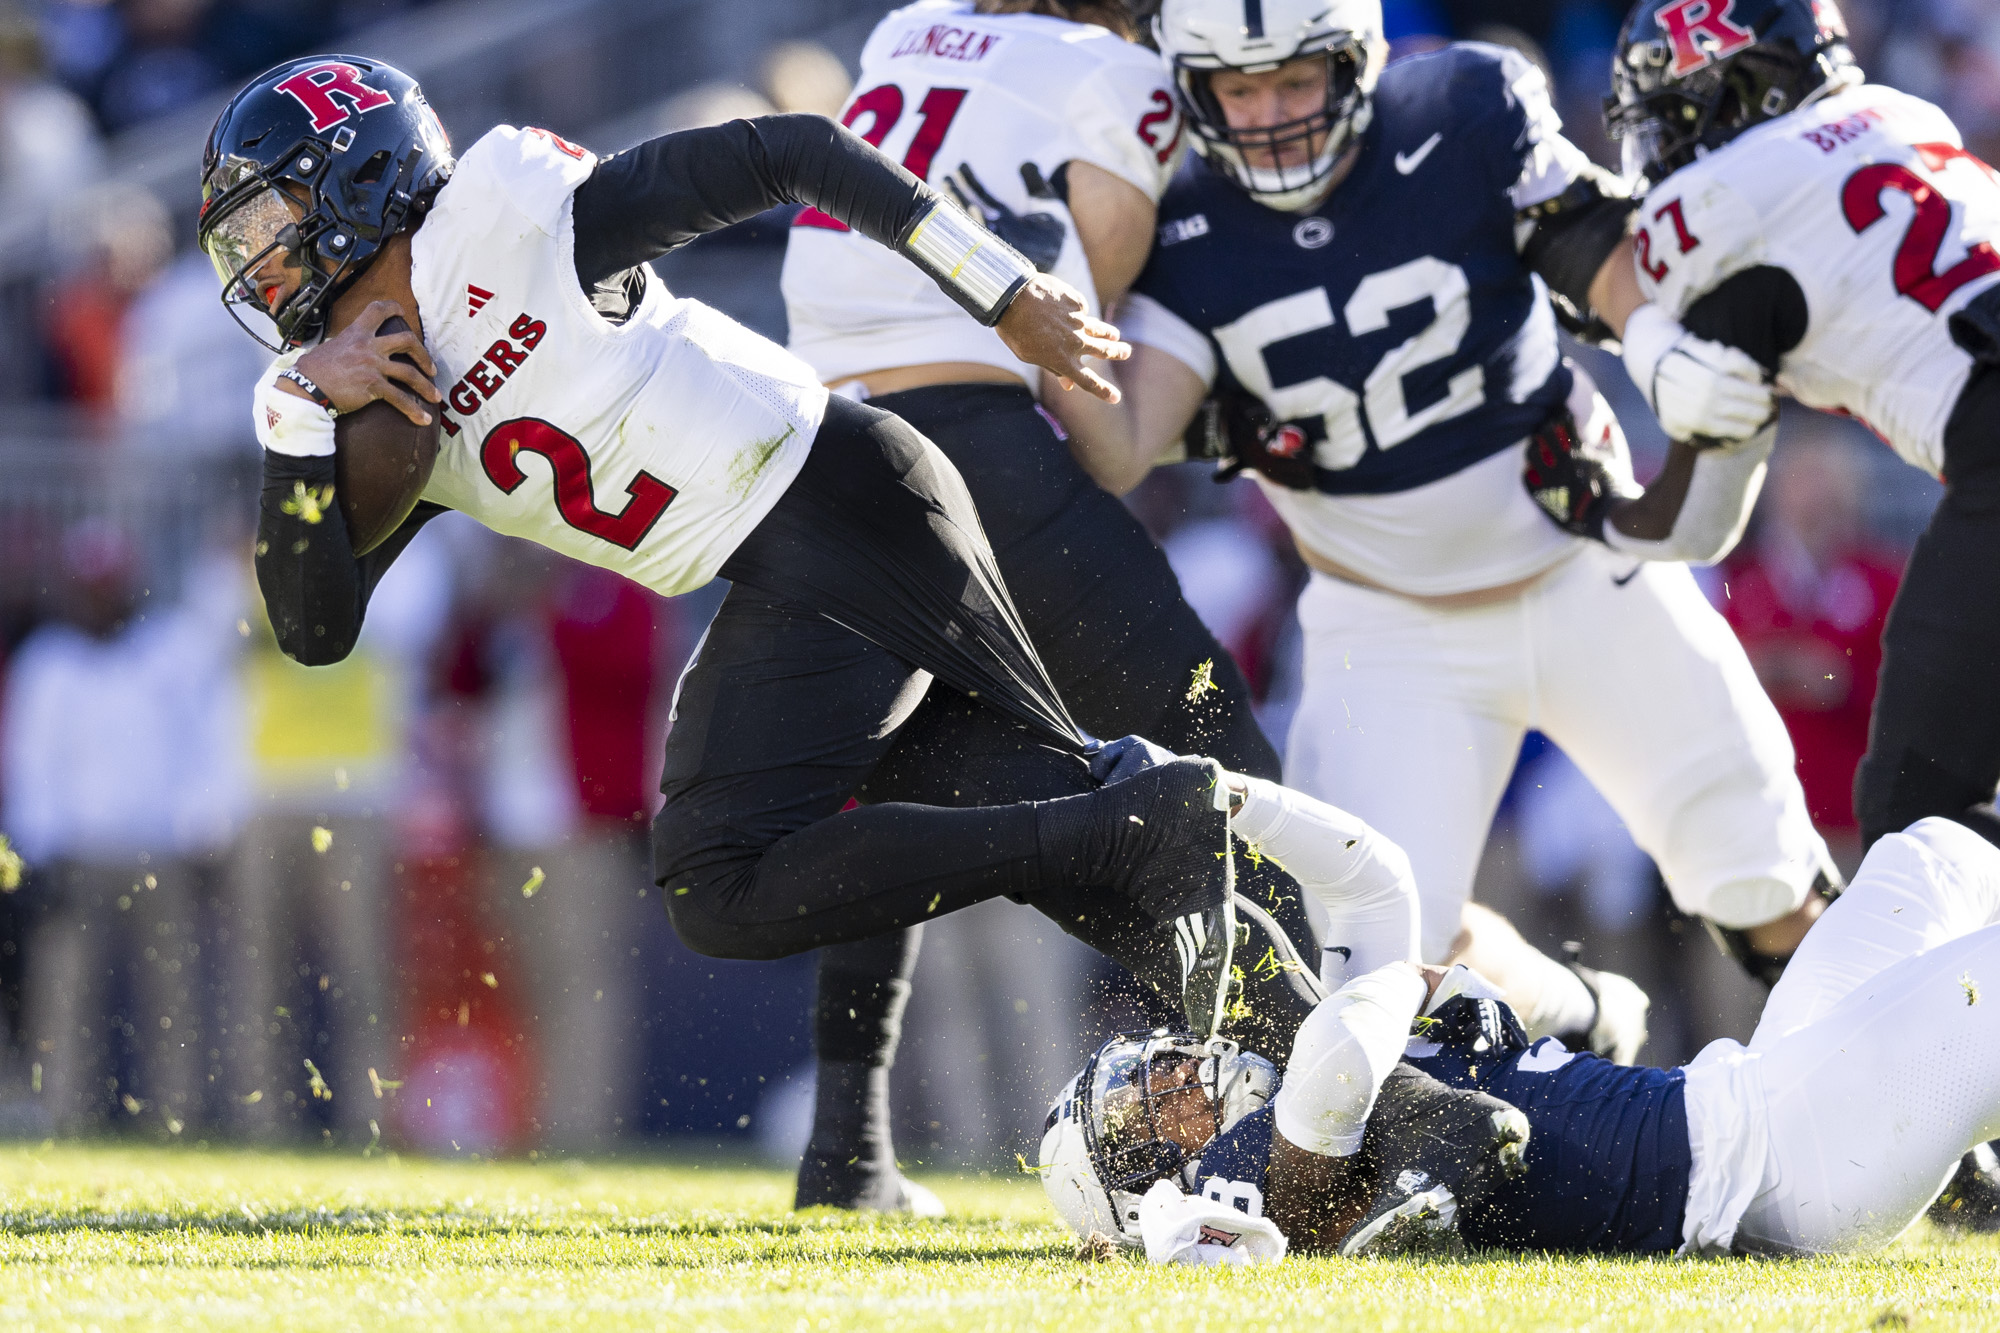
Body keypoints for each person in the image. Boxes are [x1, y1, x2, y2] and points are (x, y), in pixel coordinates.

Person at [202, 55, 1274, 1138]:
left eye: (267, 220)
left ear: (354, 181)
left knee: (751, 868)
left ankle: (1154, 852)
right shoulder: (362, 400)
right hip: (787, 570)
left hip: (852, 496)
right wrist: (294, 418)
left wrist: (999, 287)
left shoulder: (514, 224)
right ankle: (1270, 1000)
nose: (257, 263)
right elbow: (312, 624)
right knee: (849, 851)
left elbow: (789, 150)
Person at [1049, 0, 1836, 1043]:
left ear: (1355, 64)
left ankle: (1919, 1107)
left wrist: (1652, 343)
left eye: (1295, 82)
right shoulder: (1176, 209)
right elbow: (1123, 441)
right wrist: (1048, 295)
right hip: (1388, 628)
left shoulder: (1463, 107)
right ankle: (1580, 1010)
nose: (1271, 116)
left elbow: (1592, 249)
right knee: (1366, 957)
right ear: (1192, 90)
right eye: (1238, 90)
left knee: (1765, 879)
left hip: (1582, 572)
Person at [777, 0, 1323, 1214]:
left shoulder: (906, 32)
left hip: (814, 456)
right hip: (973, 450)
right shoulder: (1115, 72)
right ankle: (1327, 1130)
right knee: (1217, 755)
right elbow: (1097, 396)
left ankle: (845, 1150)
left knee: (886, 787)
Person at [1577, 0, 2000, 1212]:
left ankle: (1879, 1143)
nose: (1659, 140)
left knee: (1924, 826)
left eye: (1670, 108)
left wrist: (1597, 508)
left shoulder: (1720, 207)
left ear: (1728, 88)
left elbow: (1702, 519)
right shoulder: (1897, 114)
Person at [1044, 796, 2000, 1261]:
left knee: (1939, 856)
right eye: (1140, 1114)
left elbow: (1377, 876)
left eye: (1145, 1070)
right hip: (1786, 1155)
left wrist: (1223, 795)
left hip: (1761, 1097)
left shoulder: (1314, 1082)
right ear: (1136, 1191)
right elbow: (1475, 1132)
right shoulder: (1248, 1160)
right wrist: (1372, 1001)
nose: (1173, 1077)